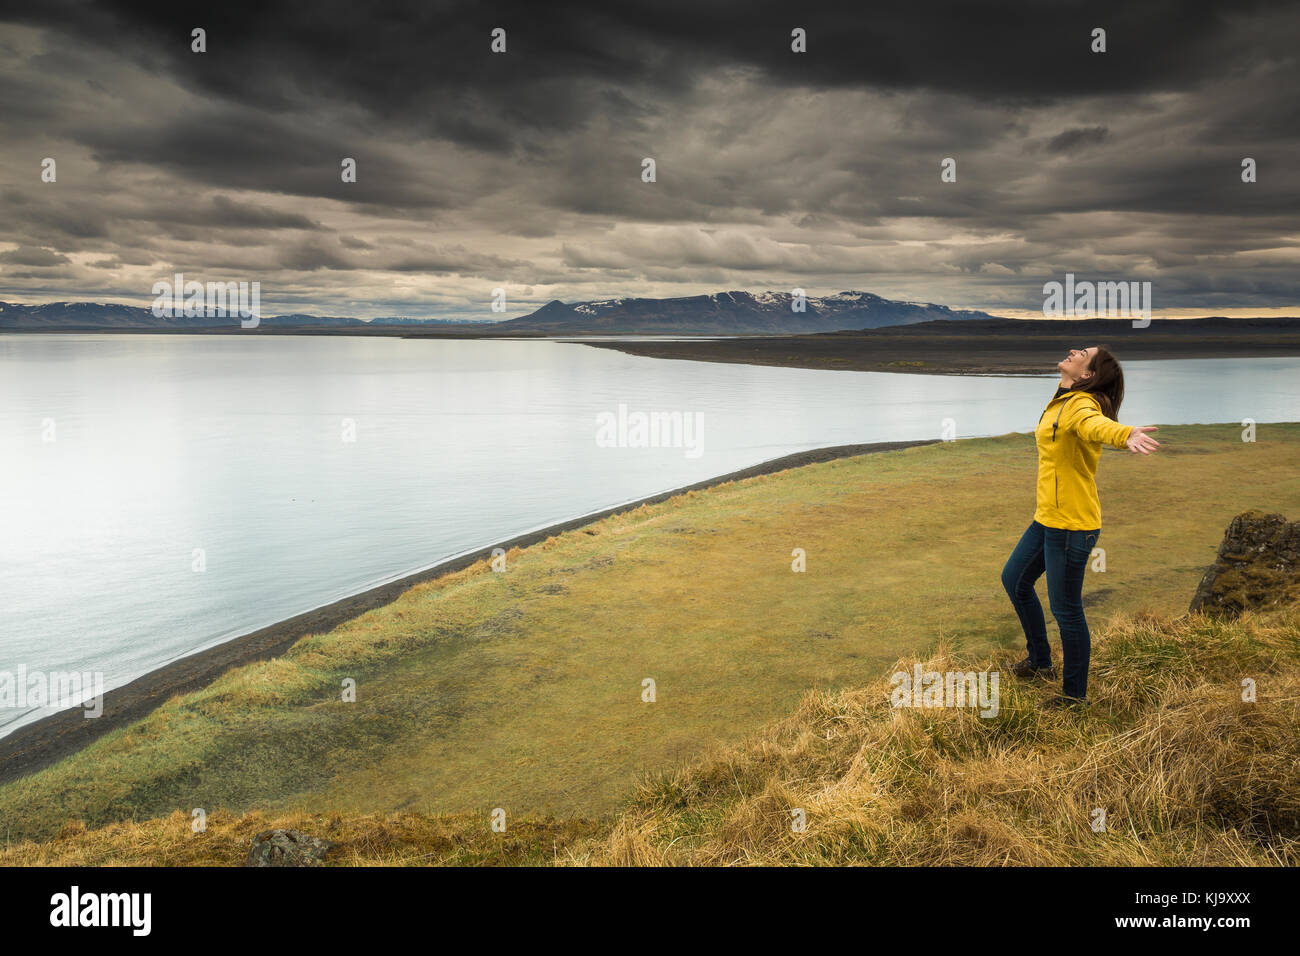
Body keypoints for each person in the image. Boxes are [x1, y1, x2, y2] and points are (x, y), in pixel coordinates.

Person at [1001, 345, 1160, 709]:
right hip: (1047, 518)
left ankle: (1074, 697)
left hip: (1072, 526)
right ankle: (1040, 662)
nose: (1073, 350)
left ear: (1087, 375)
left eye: (1083, 353)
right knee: (1014, 580)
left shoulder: (1080, 406)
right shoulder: (1063, 399)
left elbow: (1096, 424)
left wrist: (1125, 434)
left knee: (1067, 609)